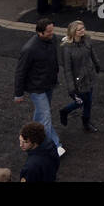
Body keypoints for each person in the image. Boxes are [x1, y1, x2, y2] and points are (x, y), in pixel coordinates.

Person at [14, 17, 64, 157]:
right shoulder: (29, 49)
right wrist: (18, 93)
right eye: (48, 32)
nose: (52, 34)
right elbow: (20, 71)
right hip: (36, 88)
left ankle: (31, 134)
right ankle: (53, 146)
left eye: (52, 30)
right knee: (46, 116)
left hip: (48, 84)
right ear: (39, 33)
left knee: (41, 115)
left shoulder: (51, 39)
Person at [59, 20, 101, 134]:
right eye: (79, 29)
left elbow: (92, 53)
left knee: (87, 101)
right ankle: (66, 112)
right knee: (84, 102)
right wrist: (71, 88)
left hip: (89, 76)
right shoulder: (67, 48)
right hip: (79, 81)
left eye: (83, 28)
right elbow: (67, 70)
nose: (83, 31)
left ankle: (85, 123)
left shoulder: (87, 39)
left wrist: (97, 64)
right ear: (73, 32)